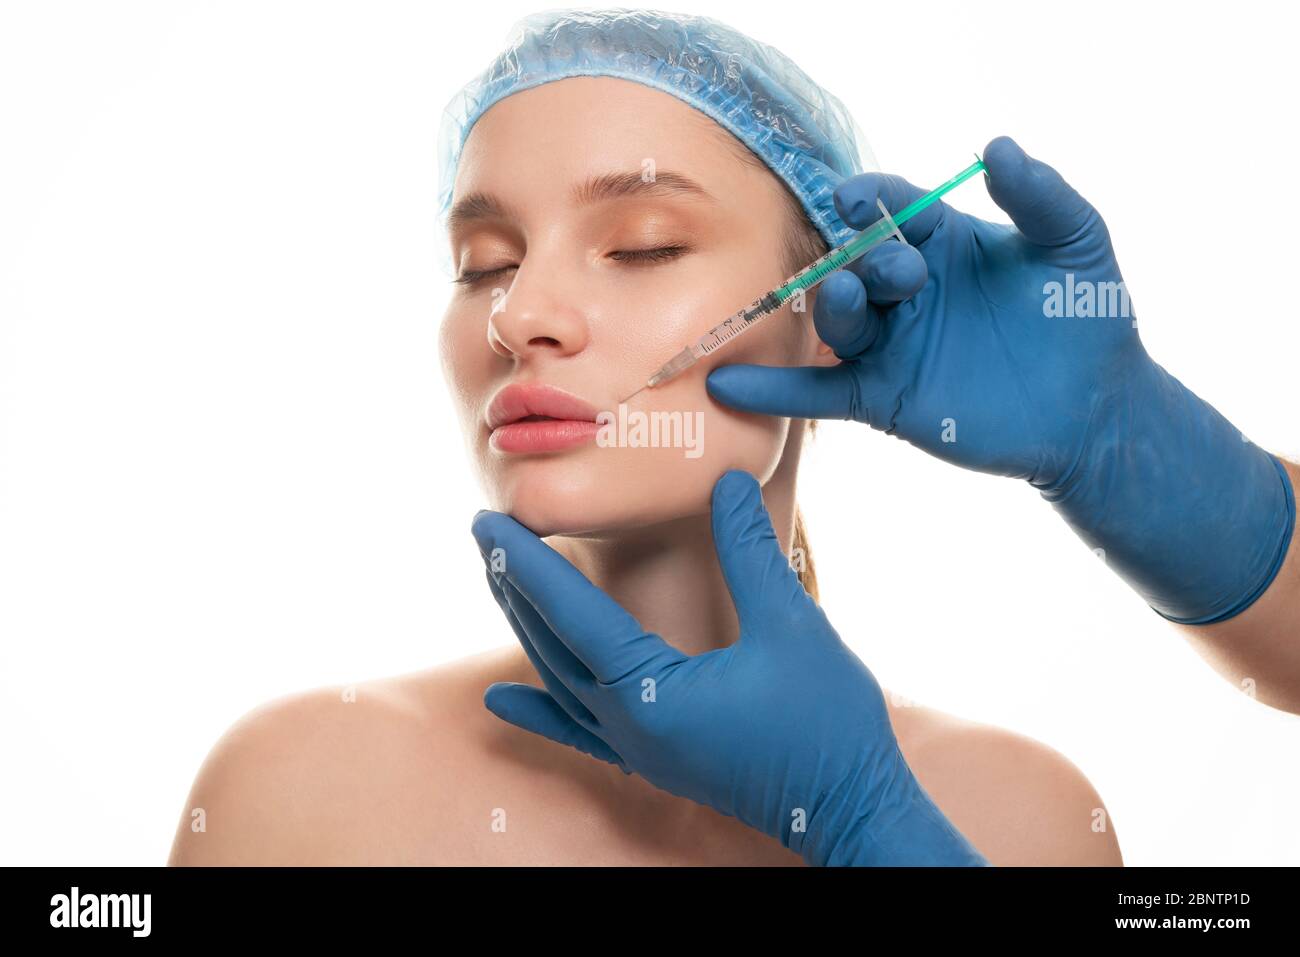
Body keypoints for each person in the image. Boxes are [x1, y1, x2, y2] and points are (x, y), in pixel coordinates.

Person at [167, 9, 1122, 867]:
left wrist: (866, 827)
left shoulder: (1022, 820)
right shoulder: (298, 791)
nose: (520, 311)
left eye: (644, 246)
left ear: (828, 310)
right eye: (482, 263)